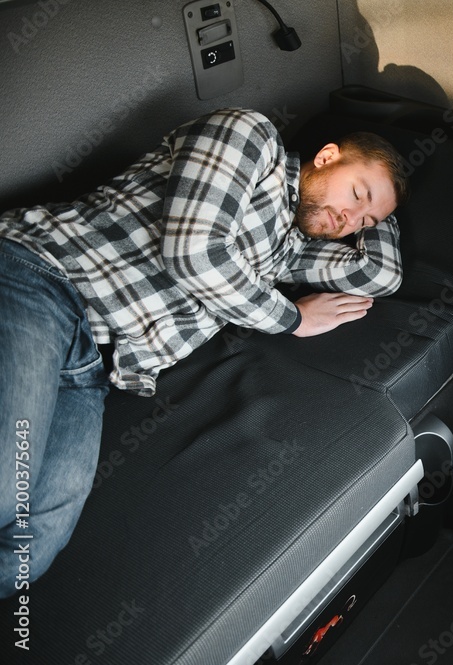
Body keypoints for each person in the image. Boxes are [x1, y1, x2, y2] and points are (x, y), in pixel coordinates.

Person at [0, 107, 408, 596]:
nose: (349, 219)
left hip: (95, 367)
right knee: (5, 492)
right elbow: (193, 253)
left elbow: (380, 275)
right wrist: (293, 319)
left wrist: (381, 212)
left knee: (29, 550)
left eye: (363, 221)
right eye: (357, 194)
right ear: (326, 157)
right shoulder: (252, 137)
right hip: (41, 277)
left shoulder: (292, 250)